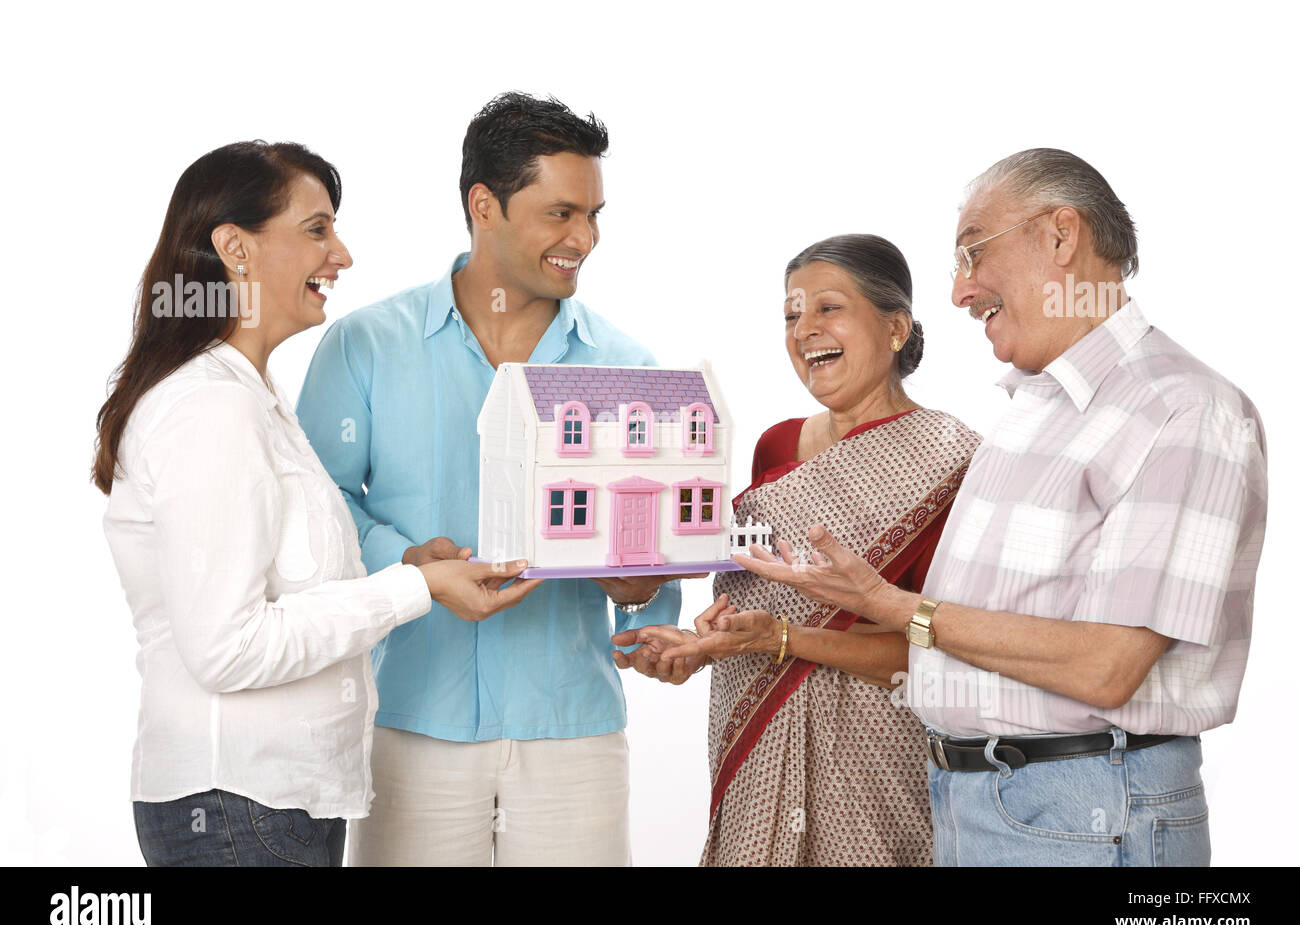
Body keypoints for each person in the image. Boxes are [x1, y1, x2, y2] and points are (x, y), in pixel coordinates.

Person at [728, 149, 1268, 867]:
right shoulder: (1030, 408)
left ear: (1059, 235)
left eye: (973, 253)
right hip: (969, 800)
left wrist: (889, 605)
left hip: (1085, 808)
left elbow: (1108, 667)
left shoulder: (1182, 411)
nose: (957, 292)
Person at [95, 141, 541, 867]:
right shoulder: (210, 408)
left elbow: (287, 596)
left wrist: (407, 566)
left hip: (269, 807)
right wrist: (413, 587)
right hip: (237, 806)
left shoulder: (252, 399)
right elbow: (228, 648)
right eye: (316, 229)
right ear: (235, 249)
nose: (342, 254)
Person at [295, 93, 685, 867]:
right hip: (411, 723)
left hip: (573, 735)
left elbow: (652, 568)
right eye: (562, 214)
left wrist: (636, 586)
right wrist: (412, 564)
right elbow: (315, 504)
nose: (586, 239)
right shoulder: (364, 346)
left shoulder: (630, 368)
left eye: (596, 215)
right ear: (485, 205)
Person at [615, 235, 981, 865]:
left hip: (875, 759)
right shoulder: (775, 446)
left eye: (827, 309)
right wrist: (706, 643)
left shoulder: (953, 458)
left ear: (895, 327)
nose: (805, 331)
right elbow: (751, 601)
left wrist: (780, 639)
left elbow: (942, 649)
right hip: (754, 735)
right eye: (791, 315)